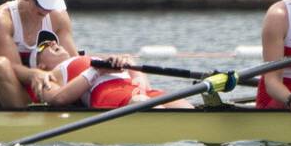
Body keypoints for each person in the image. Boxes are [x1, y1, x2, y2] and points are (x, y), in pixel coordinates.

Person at [29, 32, 193, 109]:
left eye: (53, 41)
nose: (52, 43)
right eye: (44, 46)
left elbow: (145, 87)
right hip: (105, 94)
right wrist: (97, 71)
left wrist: (130, 64)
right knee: (146, 104)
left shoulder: (86, 59)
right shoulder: (45, 77)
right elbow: (58, 99)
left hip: (135, 89)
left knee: (185, 107)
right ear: (40, 65)